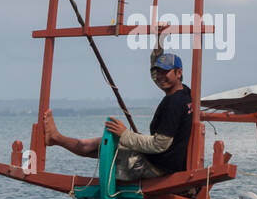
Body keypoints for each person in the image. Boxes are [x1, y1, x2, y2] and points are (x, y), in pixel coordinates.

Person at [43, 50, 193, 183]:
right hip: (166, 161)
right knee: (97, 146)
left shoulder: (174, 102)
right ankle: (56, 138)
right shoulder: (185, 93)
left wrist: (125, 135)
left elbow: (160, 144)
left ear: (178, 73)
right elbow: (158, 78)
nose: (160, 77)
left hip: (158, 167)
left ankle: (56, 138)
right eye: (158, 71)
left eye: (165, 72)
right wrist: (158, 43)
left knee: (98, 147)